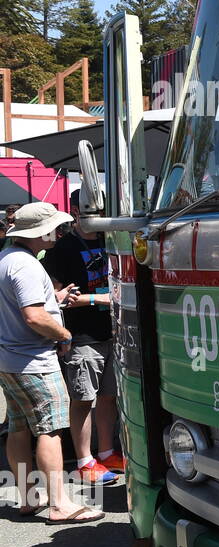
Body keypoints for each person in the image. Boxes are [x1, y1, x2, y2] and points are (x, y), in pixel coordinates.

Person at [0, 202, 103, 523]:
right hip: (34, 359)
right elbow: (33, 316)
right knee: (50, 429)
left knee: (19, 428)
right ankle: (60, 503)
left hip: (11, 357)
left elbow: (26, 307)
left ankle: (30, 498)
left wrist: (53, 301)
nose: (59, 231)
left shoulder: (6, 258)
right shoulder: (26, 265)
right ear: (40, 231)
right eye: (55, 226)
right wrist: (64, 334)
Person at [45, 190, 121, 480]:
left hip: (111, 332)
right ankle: (84, 461)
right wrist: (98, 299)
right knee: (83, 400)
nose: (99, 216)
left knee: (109, 396)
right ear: (76, 210)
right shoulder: (62, 249)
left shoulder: (110, 240)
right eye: (93, 210)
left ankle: (106, 453)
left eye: (103, 210)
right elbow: (57, 296)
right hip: (81, 336)